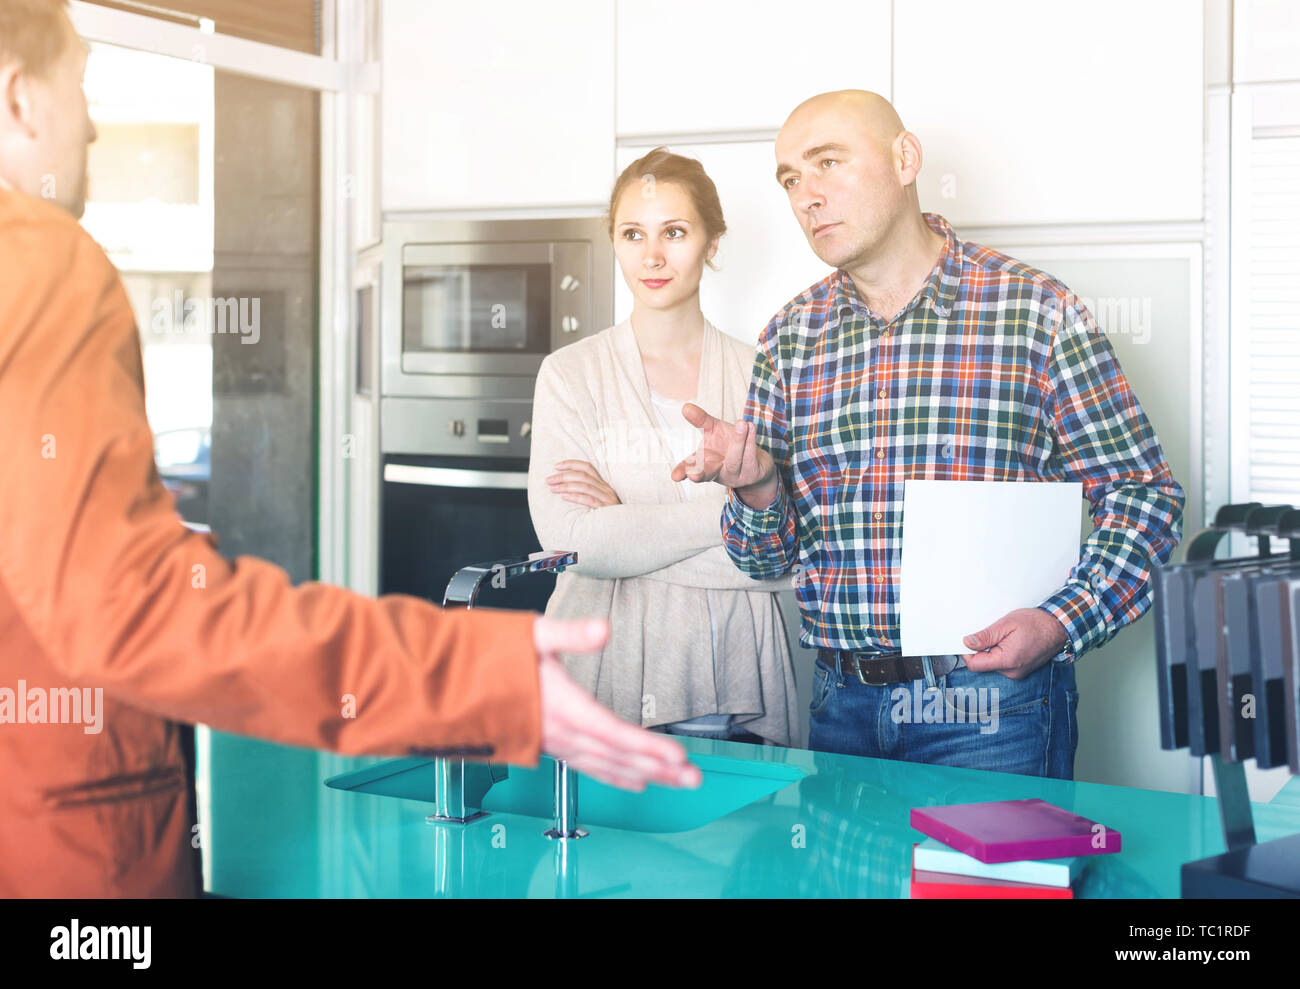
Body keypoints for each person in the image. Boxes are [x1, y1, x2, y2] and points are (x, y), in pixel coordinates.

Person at [0, 0, 698, 898]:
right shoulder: (36, 261)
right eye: (82, 86)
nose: (90, 124)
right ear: (20, 97)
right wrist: (470, 673)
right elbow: (126, 608)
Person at [673, 90, 1185, 779]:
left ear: (906, 158)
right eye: (791, 179)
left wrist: (1063, 621)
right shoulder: (790, 337)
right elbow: (765, 560)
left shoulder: (1036, 312)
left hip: (994, 708)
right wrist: (758, 487)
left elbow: (1144, 496)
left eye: (828, 163)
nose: (807, 197)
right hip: (840, 706)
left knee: (988, 893)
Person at [527, 148, 799, 746]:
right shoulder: (569, 374)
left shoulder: (766, 374)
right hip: (597, 679)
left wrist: (621, 519)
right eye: (632, 234)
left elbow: (787, 561)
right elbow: (575, 545)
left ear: (712, 242)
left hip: (731, 679)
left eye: (674, 232)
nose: (652, 256)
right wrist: (731, 516)